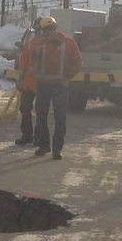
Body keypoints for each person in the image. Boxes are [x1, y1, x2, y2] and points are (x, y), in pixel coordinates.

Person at [29, 15, 83, 160]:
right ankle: (44, 145)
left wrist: (67, 77)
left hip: (59, 86)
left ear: (55, 29)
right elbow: (30, 60)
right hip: (43, 86)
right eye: (46, 30)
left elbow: (78, 62)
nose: (48, 32)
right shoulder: (38, 44)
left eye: (50, 29)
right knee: (41, 117)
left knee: (60, 118)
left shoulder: (68, 43)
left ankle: (57, 148)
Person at [14, 17, 42, 146]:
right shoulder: (53, 44)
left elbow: (22, 65)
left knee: (25, 109)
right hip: (45, 83)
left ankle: (27, 136)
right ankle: (40, 138)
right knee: (42, 111)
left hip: (30, 83)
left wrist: (19, 81)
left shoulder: (30, 44)